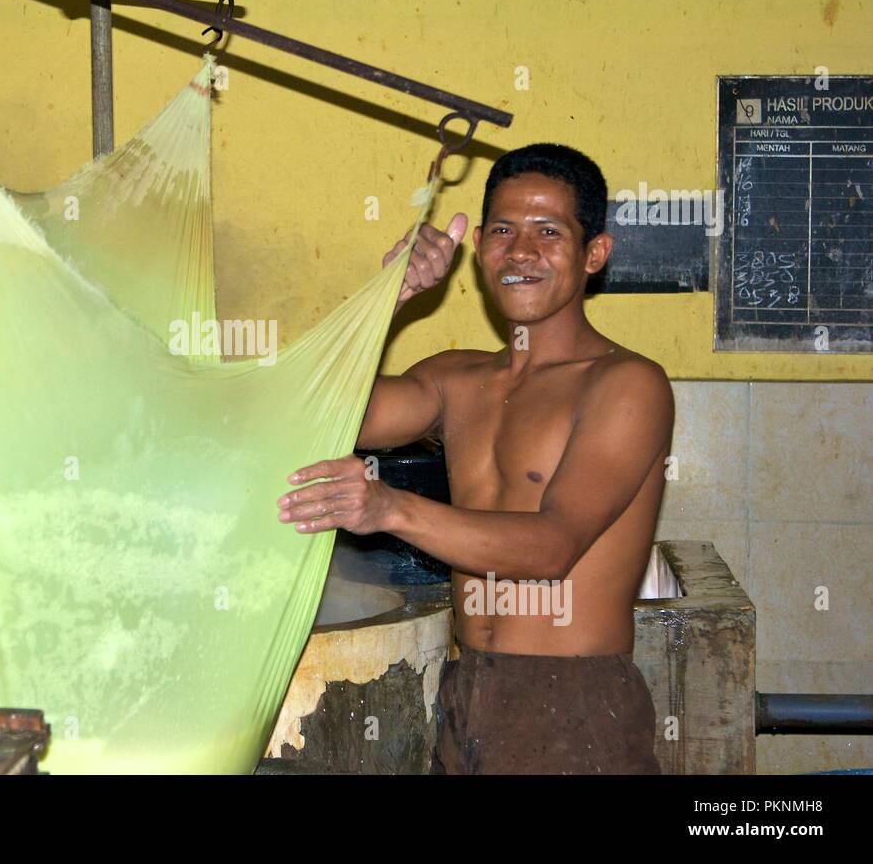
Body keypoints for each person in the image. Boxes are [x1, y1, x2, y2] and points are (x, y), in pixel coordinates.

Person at [277, 143, 670, 774]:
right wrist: (388, 298)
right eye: (506, 232)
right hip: (469, 692)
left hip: (571, 704)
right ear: (481, 244)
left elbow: (550, 547)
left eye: (550, 232)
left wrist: (388, 508)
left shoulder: (626, 384)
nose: (522, 252)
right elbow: (313, 411)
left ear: (594, 253)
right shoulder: (456, 379)